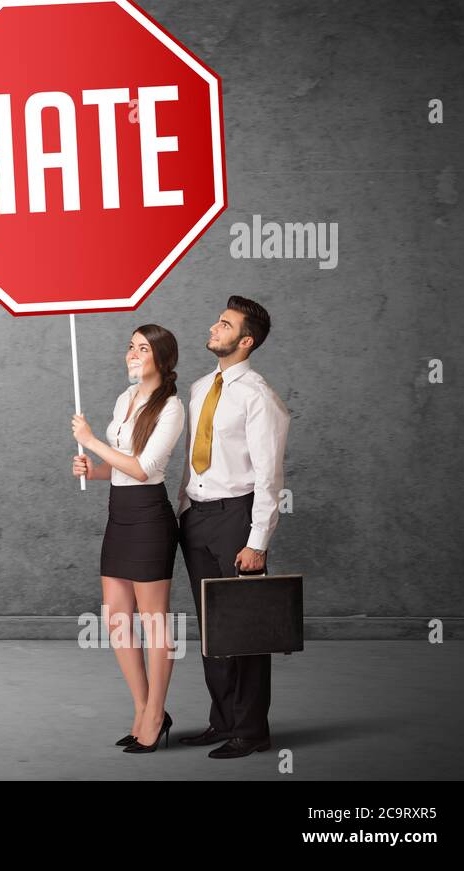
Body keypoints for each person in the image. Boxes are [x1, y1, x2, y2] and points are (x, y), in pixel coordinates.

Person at [175, 296, 290, 759]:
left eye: (224, 324)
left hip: (237, 519)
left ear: (246, 341)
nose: (213, 327)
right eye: (217, 321)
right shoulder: (201, 387)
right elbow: (192, 455)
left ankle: (252, 730)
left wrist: (257, 542)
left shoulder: (259, 396)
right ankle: (221, 721)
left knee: (245, 627)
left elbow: (269, 476)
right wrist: (184, 508)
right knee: (213, 628)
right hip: (197, 517)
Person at [71, 324, 185, 754]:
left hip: (150, 519)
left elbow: (142, 469)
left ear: (162, 358)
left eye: (143, 349)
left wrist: (90, 441)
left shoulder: (171, 407)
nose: (132, 354)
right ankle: (141, 708)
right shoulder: (125, 398)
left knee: (154, 622)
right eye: (130, 347)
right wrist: (93, 469)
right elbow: (120, 468)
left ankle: (156, 713)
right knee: (117, 618)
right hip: (118, 515)